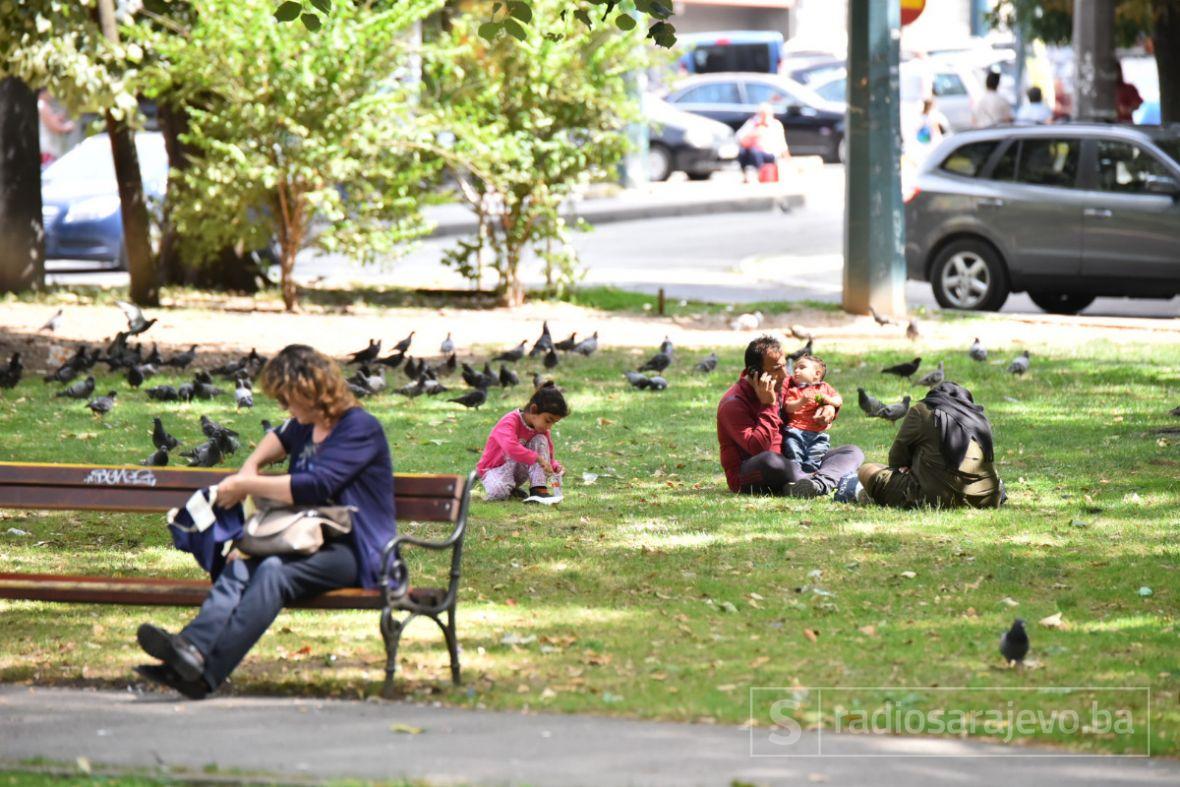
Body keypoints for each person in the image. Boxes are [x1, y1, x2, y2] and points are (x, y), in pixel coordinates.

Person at [134, 344, 395, 699]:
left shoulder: (359, 428)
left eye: (287, 397)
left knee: (272, 571)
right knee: (239, 566)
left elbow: (317, 486)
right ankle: (191, 650)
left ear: (309, 390)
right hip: (302, 542)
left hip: (356, 550)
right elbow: (278, 436)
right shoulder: (305, 425)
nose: (284, 407)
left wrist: (245, 486)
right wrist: (248, 469)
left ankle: (203, 676)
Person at [717, 335, 863, 497]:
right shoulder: (733, 403)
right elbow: (758, 448)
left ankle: (814, 485)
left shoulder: (783, 382)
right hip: (755, 469)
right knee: (770, 460)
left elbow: (813, 391)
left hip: (795, 456)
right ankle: (817, 479)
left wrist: (829, 407)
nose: (785, 374)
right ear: (755, 372)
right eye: (776, 369)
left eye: (785, 366)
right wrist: (768, 406)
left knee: (852, 452)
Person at [857, 382, 1004, 509]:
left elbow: (896, 458)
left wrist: (909, 466)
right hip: (988, 498)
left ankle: (869, 494)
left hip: (938, 497)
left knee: (866, 469)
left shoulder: (922, 410)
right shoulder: (979, 417)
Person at [477, 381, 567, 502]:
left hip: (515, 471)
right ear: (534, 410)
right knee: (498, 493)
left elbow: (547, 455)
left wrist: (555, 466)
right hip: (494, 470)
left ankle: (538, 490)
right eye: (548, 420)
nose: (549, 426)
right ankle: (506, 488)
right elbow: (511, 448)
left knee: (541, 439)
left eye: (553, 423)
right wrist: (537, 458)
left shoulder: (541, 430)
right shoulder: (509, 422)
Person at [782, 355, 843, 474]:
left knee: (817, 451)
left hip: (817, 434)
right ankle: (796, 474)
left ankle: (810, 473)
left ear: (817, 374)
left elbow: (838, 400)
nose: (796, 371)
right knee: (793, 451)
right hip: (795, 431)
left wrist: (829, 401)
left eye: (802, 367)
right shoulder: (794, 390)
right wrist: (801, 401)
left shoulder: (824, 387)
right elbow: (788, 408)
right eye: (795, 368)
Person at [736, 103, 789, 183]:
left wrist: (788, 159)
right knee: (742, 152)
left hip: (768, 153)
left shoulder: (775, 125)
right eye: (761, 114)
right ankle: (745, 176)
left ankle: (761, 175)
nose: (763, 116)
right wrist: (753, 133)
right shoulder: (752, 123)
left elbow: (782, 144)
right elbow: (739, 136)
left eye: (766, 114)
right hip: (751, 149)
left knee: (755, 152)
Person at [37, 89, 74, 167]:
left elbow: (50, 120)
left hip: (45, 151)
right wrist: (68, 126)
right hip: (47, 152)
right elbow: (56, 128)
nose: (52, 95)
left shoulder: (40, 105)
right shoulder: (42, 105)